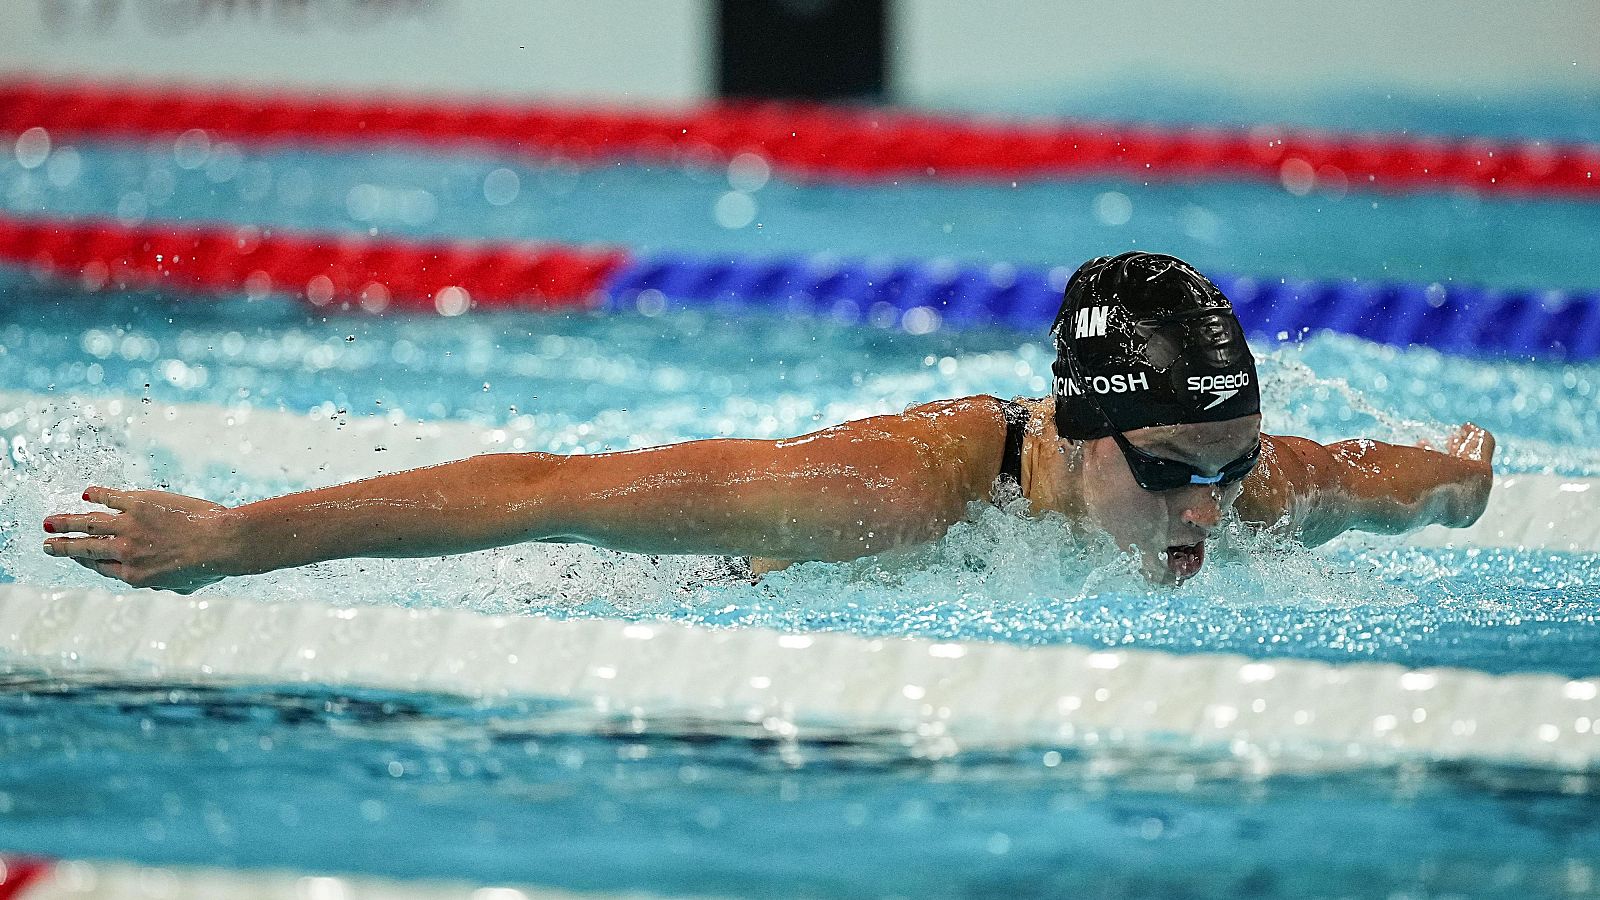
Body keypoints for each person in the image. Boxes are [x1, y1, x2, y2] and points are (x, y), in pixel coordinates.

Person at [42, 252, 1494, 594]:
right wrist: (234, 535)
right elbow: (543, 488)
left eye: (1229, 470)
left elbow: (1409, 482)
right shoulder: (887, 494)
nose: (1209, 513)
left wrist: (1465, 485)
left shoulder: (1244, 486)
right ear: (1075, 427)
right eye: (1177, 476)